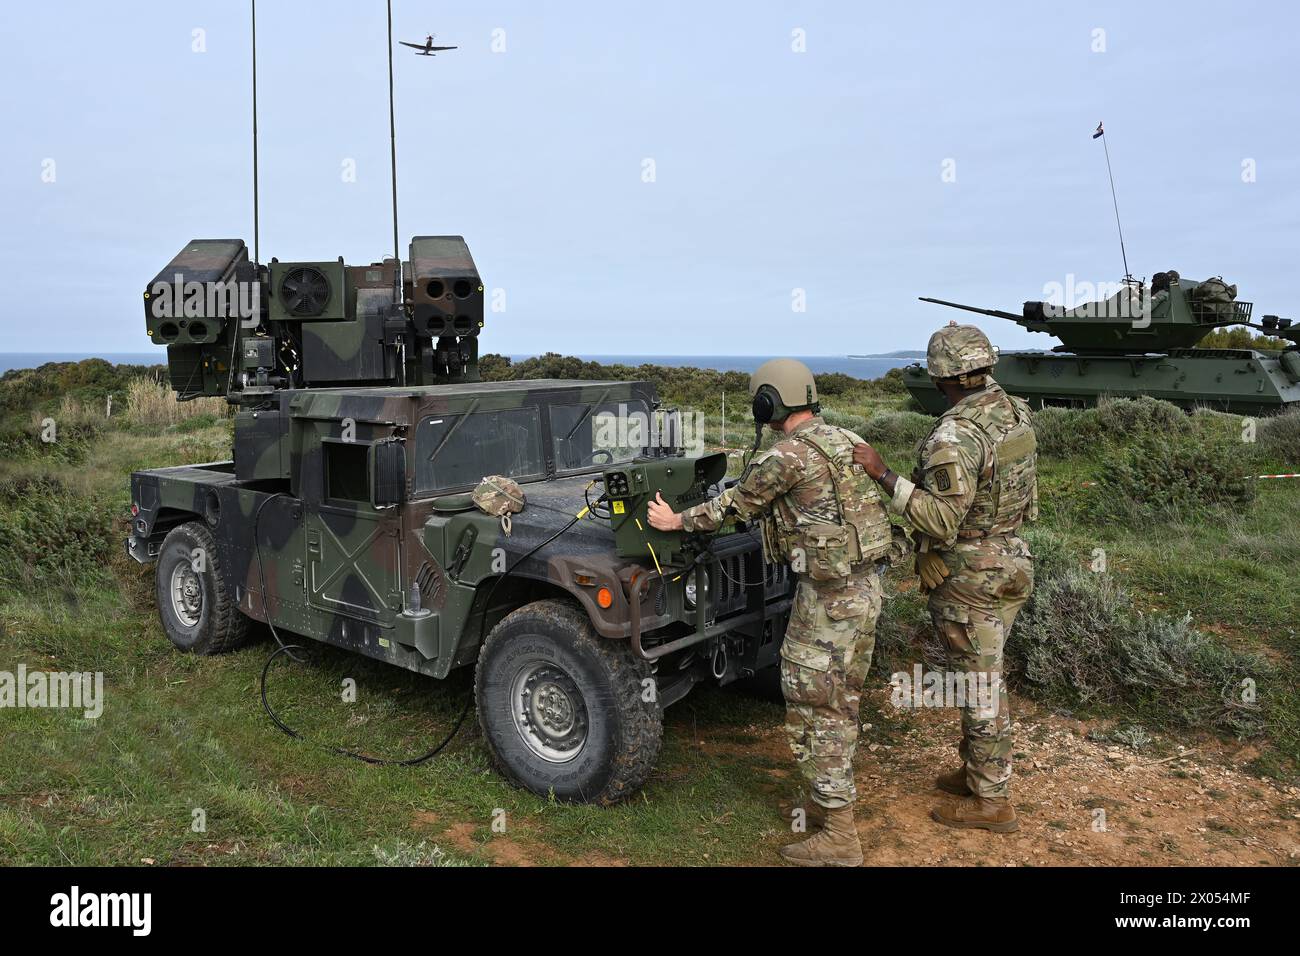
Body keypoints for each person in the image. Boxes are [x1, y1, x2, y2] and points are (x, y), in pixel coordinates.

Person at [647, 358, 893, 865]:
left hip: (828, 599)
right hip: (866, 590)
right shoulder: (848, 440)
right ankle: (828, 803)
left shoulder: (788, 456)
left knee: (813, 702)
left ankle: (839, 834)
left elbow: (732, 507)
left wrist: (675, 520)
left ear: (768, 403)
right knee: (840, 699)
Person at [852, 322, 1037, 833]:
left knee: (980, 686)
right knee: (984, 674)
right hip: (1012, 559)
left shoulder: (954, 436)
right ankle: (979, 770)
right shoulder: (1013, 411)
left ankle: (991, 800)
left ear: (942, 381)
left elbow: (940, 519)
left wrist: (882, 473)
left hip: (971, 576)